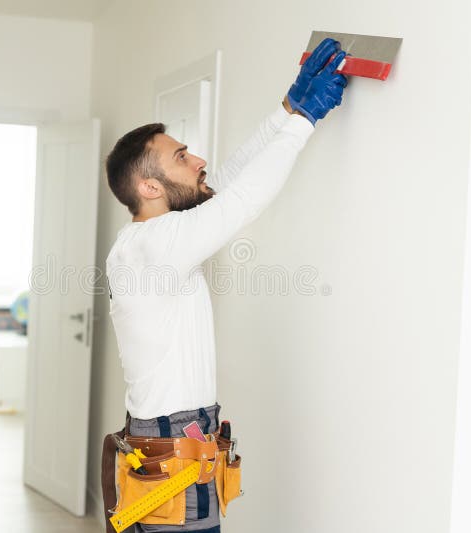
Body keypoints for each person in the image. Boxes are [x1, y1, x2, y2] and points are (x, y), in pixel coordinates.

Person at [102, 38, 348, 533]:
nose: (197, 161)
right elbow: (242, 200)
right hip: (175, 452)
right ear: (149, 186)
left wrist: (288, 109)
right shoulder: (154, 245)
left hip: (180, 444)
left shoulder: (155, 240)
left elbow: (229, 182)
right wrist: (304, 121)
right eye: (181, 156)